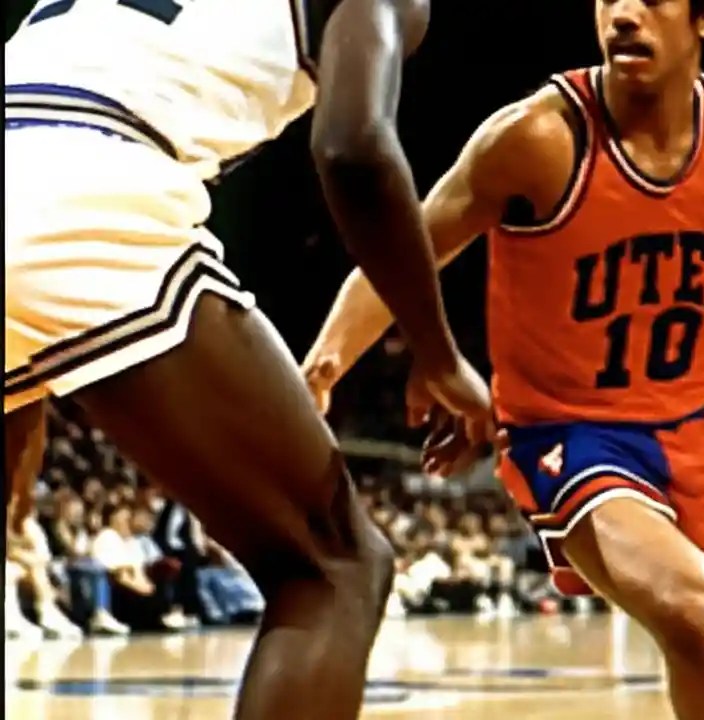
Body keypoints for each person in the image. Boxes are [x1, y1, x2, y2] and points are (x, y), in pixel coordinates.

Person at [304, 1, 704, 717]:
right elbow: (403, 248)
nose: (625, 15)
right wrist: (325, 361)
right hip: (573, 435)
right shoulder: (536, 138)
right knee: (693, 614)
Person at [5, 0, 490, 716]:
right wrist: (437, 351)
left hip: (34, 153)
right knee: (335, 567)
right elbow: (353, 149)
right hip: (88, 173)